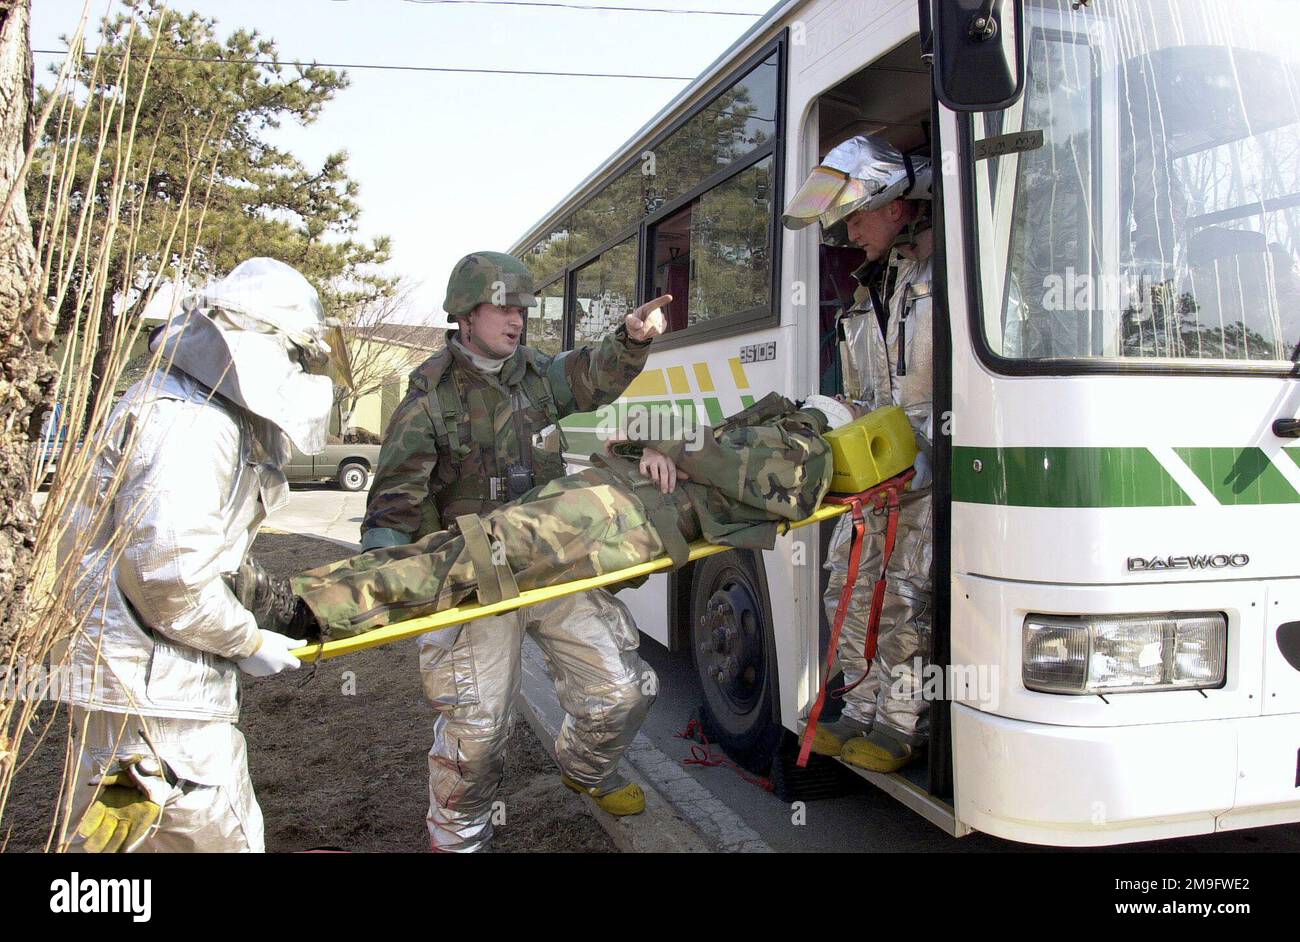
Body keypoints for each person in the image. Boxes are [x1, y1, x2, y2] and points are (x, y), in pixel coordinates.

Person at [361, 250, 669, 852]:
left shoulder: (536, 375)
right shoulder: (426, 400)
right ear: (464, 314)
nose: (516, 319)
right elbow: (392, 511)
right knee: (476, 735)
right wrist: (381, 590)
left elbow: (591, 373)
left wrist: (630, 341)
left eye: (522, 308)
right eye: (502, 307)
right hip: (473, 583)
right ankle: (457, 839)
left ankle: (586, 772)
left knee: (623, 693)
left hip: (549, 567)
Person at [53, 258, 348, 852]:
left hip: (132, 688)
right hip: (157, 699)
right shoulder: (193, 423)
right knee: (205, 834)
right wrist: (247, 639)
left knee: (121, 853)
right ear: (268, 346)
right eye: (298, 357)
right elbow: (172, 577)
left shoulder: (178, 402)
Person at [258, 392, 850, 647]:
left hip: (624, 516)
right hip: (613, 497)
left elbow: (723, 461)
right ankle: (307, 599)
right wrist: (652, 449)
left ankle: (304, 607)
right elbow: (702, 454)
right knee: (472, 549)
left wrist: (660, 440)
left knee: (479, 557)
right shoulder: (782, 432)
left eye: (805, 408)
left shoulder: (806, 449)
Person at [782, 133, 935, 773]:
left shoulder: (938, 282)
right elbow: (858, 388)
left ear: (897, 207)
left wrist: (926, 452)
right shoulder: (868, 291)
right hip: (869, 468)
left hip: (920, 470)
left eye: (857, 215)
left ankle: (901, 724)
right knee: (847, 583)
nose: (847, 232)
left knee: (903, 595)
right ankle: (857, 703)